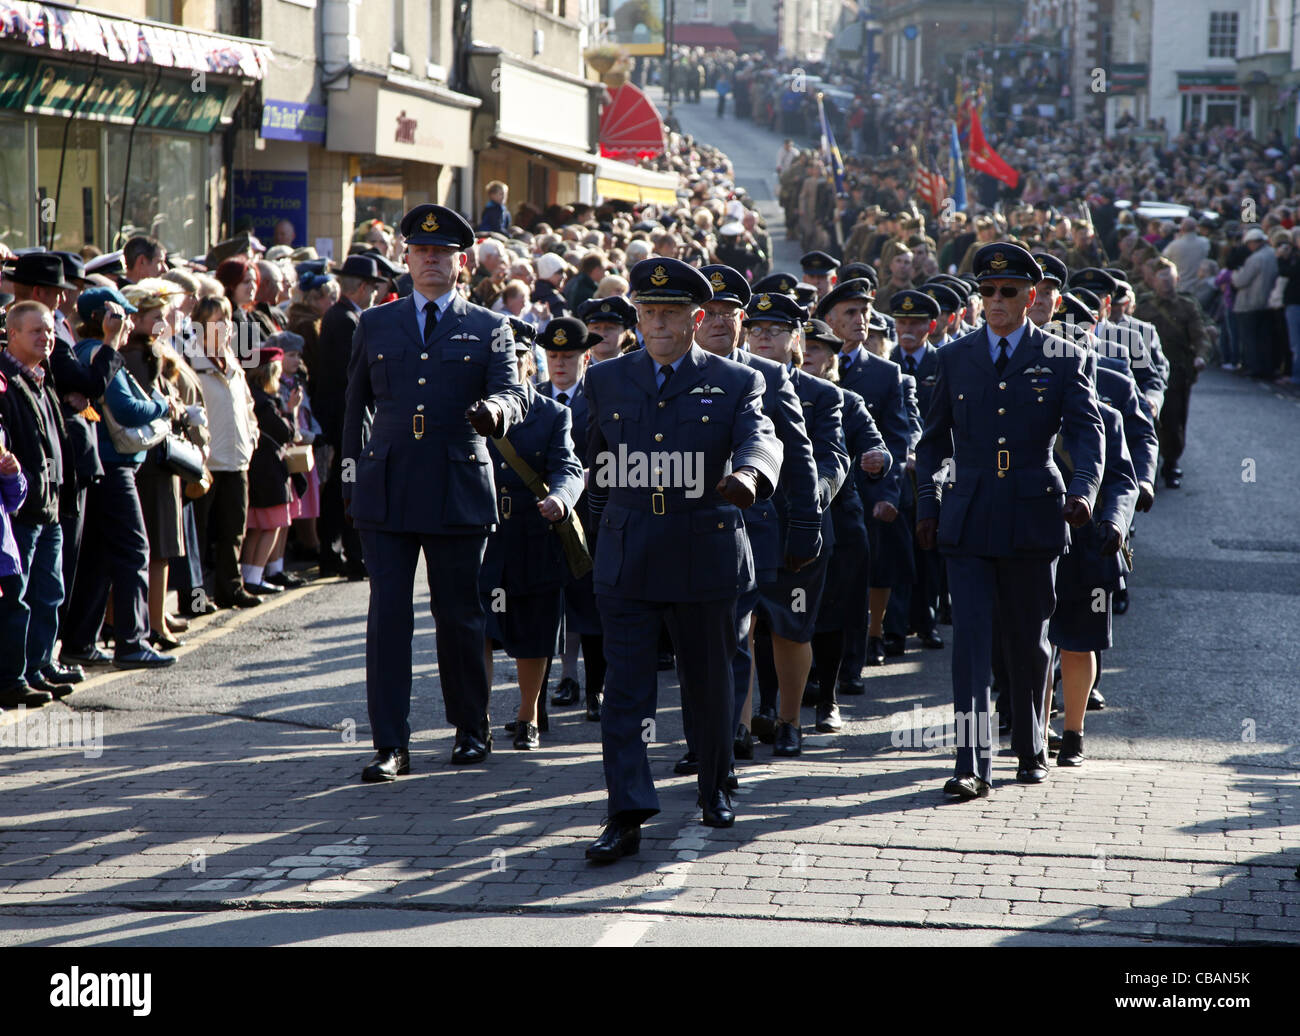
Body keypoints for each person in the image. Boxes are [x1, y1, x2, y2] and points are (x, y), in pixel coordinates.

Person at [583, 256, 782, 862]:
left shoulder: (735, 380)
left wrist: (750, 475)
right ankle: (626, 811)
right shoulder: (605, 379)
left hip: (705, 553)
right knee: (624, 692)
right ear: (635, 317)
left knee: (709, 683)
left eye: (670, 314)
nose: (659, 324)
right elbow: (590, 462)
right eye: (648, 313)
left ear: (697, 318)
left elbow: (760, 437)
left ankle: (715, 783)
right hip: (630, 554)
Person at [343, 204, 528, 782]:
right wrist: (350, 481)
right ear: (406, 257)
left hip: (456, 484)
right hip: (389, 485)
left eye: (442, 253)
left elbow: (514, 395)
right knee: (388, 618)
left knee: (460, 615)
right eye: (421, 251)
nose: (430, 260)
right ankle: (389, 743)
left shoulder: (489, 326)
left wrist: (497, 408)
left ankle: (471, 728)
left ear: (461, 262)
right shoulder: (377, 323)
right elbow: (353, 410)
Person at [914, 243, 1104, 799]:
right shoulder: (953, 357)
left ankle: (1030, 745)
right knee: (970, 643)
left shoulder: (1062, 356)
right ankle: (971, 761)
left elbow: (1088, 434)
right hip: (969, 514)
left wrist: (1085, 491)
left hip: (1033, 508)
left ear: (1031, 297)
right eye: (988, 292)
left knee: (1028, 640)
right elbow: (930, 445)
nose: (996, 301)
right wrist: (928, 502)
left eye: (1009, 292)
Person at [481, 321, 585, 749]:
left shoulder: (552, 412)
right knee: (480, 629)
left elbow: (568, 467)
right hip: (483, 535)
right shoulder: (474, 408)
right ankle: (476, 718)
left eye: (521, 358)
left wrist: (561, 498)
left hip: (534, 534)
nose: (514, 365)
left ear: (529, 362)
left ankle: (528, 718)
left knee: (535, 631)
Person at [64, 294, 180, 671]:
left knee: (99, 556)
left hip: (102, 466)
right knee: (133, 550)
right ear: (104, 319)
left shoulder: (84, 349)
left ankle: (81, 642)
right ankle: (132, 642)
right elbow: (128, 409)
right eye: (123, 316)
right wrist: (162, 405)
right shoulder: (98, 351)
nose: (129, 323)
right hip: (114, 468)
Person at [815, 278, 911, 682]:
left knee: (859, 582)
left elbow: (897, 438)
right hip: (819, 495)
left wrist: (889, 490)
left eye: (865, 312)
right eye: (850, 313)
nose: (861, 320)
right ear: (828, 320)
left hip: (866, 492)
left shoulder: (886, 374)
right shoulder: (807, 363)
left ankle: (853, 662)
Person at [0, 302, 78, 704]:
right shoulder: (5, 381)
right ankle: (13, 677)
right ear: (12, 334)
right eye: (36, 331)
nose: (46, 338)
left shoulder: (41, 378)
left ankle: (38, 665)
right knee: (20, 597)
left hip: (50, 506)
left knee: (50, 593)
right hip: (23, 510)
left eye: (49, 331)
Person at [534, 314, 604, 719]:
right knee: (542, 610)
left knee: (590, 608)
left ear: (585, 357)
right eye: (554, 354)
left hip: (587, 517)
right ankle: (537, 703)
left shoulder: (598, 400)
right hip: (543, 519)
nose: (560, 363)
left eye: (569, 355)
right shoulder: (532, 398)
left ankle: (596, 691)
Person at [314, 254, 386, 579]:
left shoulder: (345, 316)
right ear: (360, 287)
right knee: (349, 484)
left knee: (342, 485)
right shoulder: (345, 320)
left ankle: (337, 553)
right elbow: (352, 377)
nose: (375, 293)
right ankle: (350, 555)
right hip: (346, 420)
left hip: (346, 418)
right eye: (371, 286)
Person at [189, 294, 262, 609]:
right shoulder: (192, 363)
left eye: (227, 321)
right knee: (201, 535)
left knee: (234, 529)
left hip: (236, 458)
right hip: (207, 461)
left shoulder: (232, 360)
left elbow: (247, 406)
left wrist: (253, 435)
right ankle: (196, 596)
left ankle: (231, 588)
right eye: (216, 321)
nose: (226, 328)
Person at [884, 289, 945, 654]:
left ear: (931, 326)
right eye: (902, 322)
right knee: (898, 550)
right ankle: (895, 624)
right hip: (897, 471)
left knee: (930, 550)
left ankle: (927, 621)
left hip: (935, 469)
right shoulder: (887, 363)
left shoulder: (945, 362)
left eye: (915, 323)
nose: (907, 329)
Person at [1134, 263, 1210, 489]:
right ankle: (1149, 466)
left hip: (1177, 372)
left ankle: (1171, 463)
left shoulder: (1187, 306)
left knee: (1174, 420)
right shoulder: (1144, 307)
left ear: (1177, 281)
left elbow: (1200, 335)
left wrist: (1201, 356)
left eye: (1170, 279)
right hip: (1147, 371)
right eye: (1161, 279)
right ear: (1153, 281)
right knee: (1149, 419)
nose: (1166, 284)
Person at [241, 345, 301, 594]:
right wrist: (292, 410)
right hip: (269, 471)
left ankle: (250, 576)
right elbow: (289, 433)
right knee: (272, 525)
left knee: (257, 526)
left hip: (257, 469)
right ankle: (254, 578)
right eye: (276, 376)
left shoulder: (257, 399)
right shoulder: (265, 403)